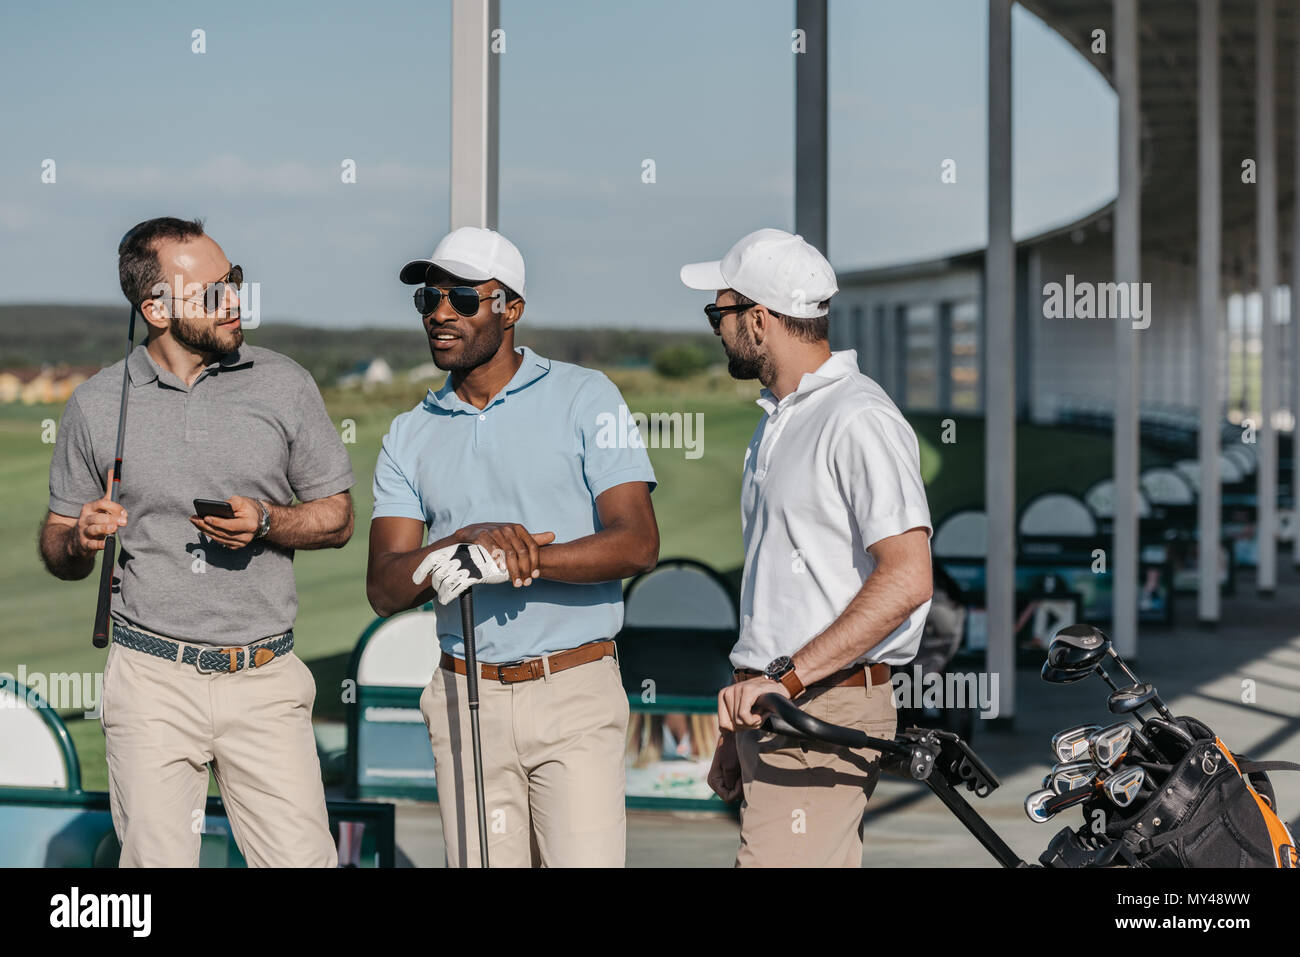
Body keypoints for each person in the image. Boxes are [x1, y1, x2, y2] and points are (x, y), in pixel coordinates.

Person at [38, 217, 355, 867]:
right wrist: (80, 536)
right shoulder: (96, 404)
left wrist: (269, 520)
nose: (235, 300)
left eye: (235, 281)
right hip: (150, 678)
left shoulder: (284, 383)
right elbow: (55, 543)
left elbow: (338, 517)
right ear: (155, 308)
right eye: (213, 291)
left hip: (265, 677)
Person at [365, 226, 659, 867]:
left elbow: (636, 543)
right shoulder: (409, 432)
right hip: (463, 698)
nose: (440, 313)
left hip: (573, 690)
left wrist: (520, 558)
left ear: (510, 308)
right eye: (429, 299)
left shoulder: (587, 396)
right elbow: (385, 588)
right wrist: (463, 542)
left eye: (462, 299)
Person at [682, 228, 934, 867]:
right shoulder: (782, 417)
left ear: (759, 319)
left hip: (818, 702)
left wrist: (782, 680)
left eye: (721, 313)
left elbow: (907, 578)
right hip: (779, 705)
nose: (716, 328)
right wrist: (746, 713)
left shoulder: (857, 417)